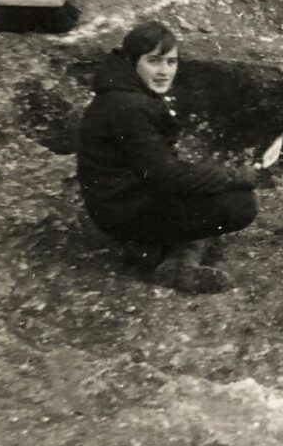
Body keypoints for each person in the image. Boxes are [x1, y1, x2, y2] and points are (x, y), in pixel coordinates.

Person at [77, 21, 259, 293]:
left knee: (207, 185)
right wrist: (233, 176)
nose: (164, 71)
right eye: (154, 61)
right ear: (132, 61)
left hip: (124, 200)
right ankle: (167, 259)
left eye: (171, 62)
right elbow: (168, 176)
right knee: (239, 204)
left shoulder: (124, 94)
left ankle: (161, 251)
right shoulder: (128, 107)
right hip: (123, 211)